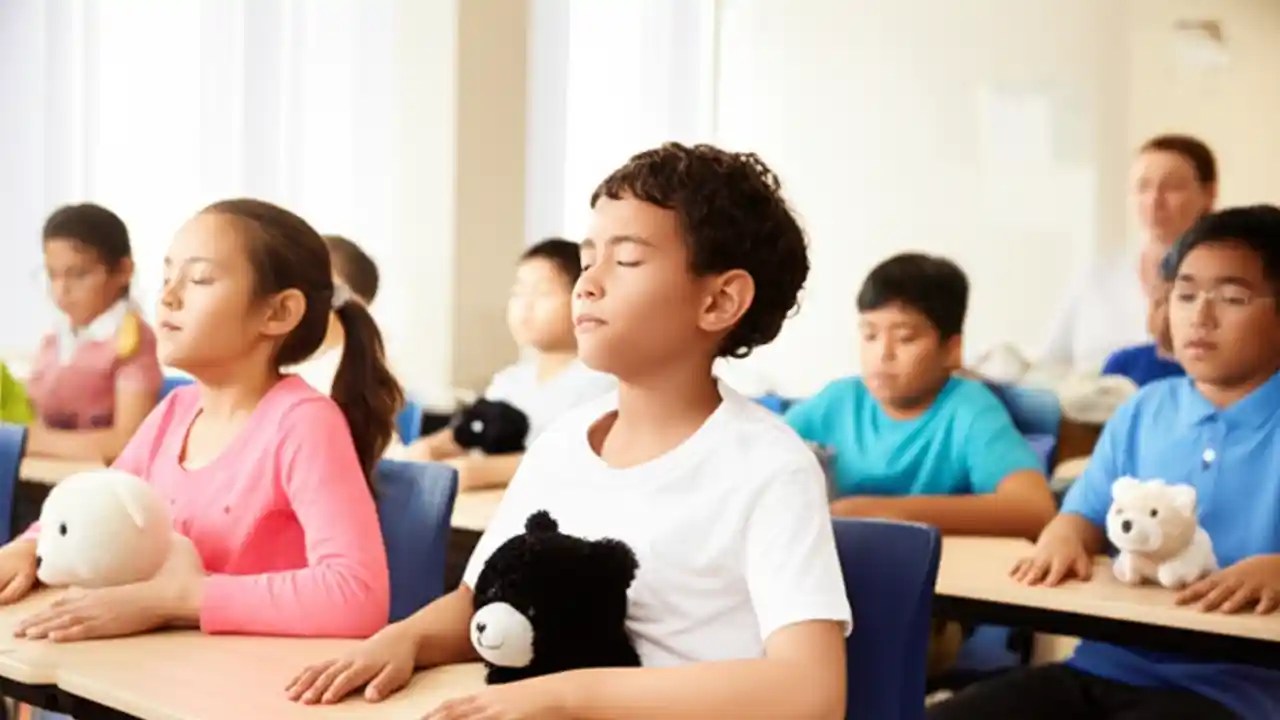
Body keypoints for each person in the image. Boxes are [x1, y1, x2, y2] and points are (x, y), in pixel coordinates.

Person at [286, 143, 851, 719]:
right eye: (587, 260)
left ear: (719, 301)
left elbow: (810, 692)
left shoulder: (768, 465)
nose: (588, 284)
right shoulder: (563, 441)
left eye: (626, 261)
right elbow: (480, 596)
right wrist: (403, 639)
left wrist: (568, 695)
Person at [930, 205, 1280, 720]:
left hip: (1239, 691)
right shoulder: (1144, 409)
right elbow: (1084, 516)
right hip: (1106, 666)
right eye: (1184, 295)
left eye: (1232, 298)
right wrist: (1065, 536)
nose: (1199, 316)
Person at [0, 199, 401, 640]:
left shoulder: (304, 423)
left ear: (279, 312)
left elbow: (356, 595)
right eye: (168, 276)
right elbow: (94, 506)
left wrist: (172, 600)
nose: (168, 296)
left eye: (199, 279)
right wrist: (29, 546)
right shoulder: (176, 411)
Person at [787, 253, 1056, 540]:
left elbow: (1034, 509)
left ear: (952, 350)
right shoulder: (838, 401)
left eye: (905, 338)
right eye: (870, 336)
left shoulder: (969, 409)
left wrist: (880, 513)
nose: (883, 353)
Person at [405, 238, 615, 490]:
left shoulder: (602, 382)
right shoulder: (510, 381)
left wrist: (484, 471)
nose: (524, 306)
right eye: (518, 293)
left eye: (542, 293)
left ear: (583, 298)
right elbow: (470, 433)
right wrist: (432, 447)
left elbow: (579, 459)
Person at [1042, 135, 1217, 372]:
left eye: (1172, 187)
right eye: (1143, 187)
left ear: (1209, 193)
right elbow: (1051, 364)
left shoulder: (1231, 279)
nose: (1155, 200)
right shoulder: (1096, 274)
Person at [25, 203, 162, 461]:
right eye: (52, 275)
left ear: (123, 271)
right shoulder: (54, 339)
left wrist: (29, 440)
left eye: (78, 275)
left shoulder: (132, 342)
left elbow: (127, 441)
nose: (61, 290)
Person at [1101, 276, 1184, 387]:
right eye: (1158, 304)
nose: (1164, 313)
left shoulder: (1204, 370)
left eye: (1172, 303)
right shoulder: (1122, 364)